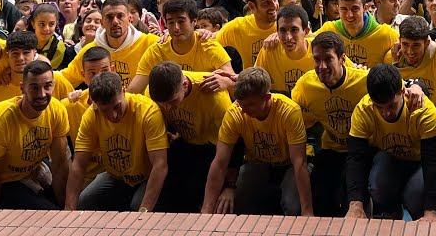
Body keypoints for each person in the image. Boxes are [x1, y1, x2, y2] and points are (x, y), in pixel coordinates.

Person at [202, 66, 312, 216]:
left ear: (267, 98)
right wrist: (206, 211)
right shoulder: (235, 114)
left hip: (290, 165)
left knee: (292, 205)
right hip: (258, 163)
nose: (243, 111)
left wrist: (308, 213)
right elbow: (220, 162)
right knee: (238, 200)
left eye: (249, 105)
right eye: (240, 105)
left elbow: (299, 163)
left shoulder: (289, 111)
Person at [344, 63, 436, 222]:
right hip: (389, 162)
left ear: (403, 92)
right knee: (378, 183)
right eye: (379, 107)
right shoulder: (363, 110)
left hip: (419, 163)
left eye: (391, 105)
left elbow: (432, 163)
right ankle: (389, 214)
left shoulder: (423, 110)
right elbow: (356, 159)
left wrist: (431, 212)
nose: (386, 113)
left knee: (414, 195)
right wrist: (355, 205)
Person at [66, 71, 169, 211]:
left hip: (147, 176)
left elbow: (160, 164)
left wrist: (143, 213)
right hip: (116, 177)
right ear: (95, 104)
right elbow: (78, 164)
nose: (113, 115)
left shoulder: (148, 112)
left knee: (137, 207)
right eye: (105, 110)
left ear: (124, 91)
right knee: (84, 201)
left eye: (116, 107)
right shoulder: (91, 116)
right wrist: (68, 211)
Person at [291, 31, 369, 216]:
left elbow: (401, 86)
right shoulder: (306, 85)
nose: (322, 66)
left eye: (328, 59)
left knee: (354, 196)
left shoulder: (364, 80)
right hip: (331, 148)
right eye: (317, 59)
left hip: (365, 151)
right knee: (320, 194)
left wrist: (416, 88)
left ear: (342, 59)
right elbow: (289, 113)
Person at [0, 60, 71, 210]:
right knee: (51, 215)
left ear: (54, 85)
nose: (42, 94)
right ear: (22, 88)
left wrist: (67, 209)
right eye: (34, 88)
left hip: (34, 170)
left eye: (47, 86)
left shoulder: (57, 110)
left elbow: (60, 164)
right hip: (6, 182)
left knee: (74, 204)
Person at [147, 60, 232, 213]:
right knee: (165, 189)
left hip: (214, 149)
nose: (167, 107)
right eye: (162, 103)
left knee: (194, 191)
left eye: (172, 101)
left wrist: (230, 185)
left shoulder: (214, 97)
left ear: (185, 85)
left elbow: (234, 143)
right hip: (184, 143)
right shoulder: (153, 92)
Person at [130, 0, 232, 93]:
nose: (176, 28)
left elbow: (234, 85)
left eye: (181, 21)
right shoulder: (157, 50)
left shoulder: (209, 47)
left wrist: (227, 82)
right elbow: (134, 91)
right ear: (165, 23)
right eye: (171, 22)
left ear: (194, 22)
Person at [315, 0, 397, 67]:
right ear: (338, 8)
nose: (349, 15)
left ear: (365, 8)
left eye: (355, 9)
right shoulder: (328, 30)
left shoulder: (387, 34)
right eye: (344, 9)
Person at [215, 0, 278, 69]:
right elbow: (211, 44)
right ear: (252, 6)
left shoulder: (287, 26)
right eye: (266, 3)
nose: (274, 5)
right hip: (250, 82)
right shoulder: (238, 26)